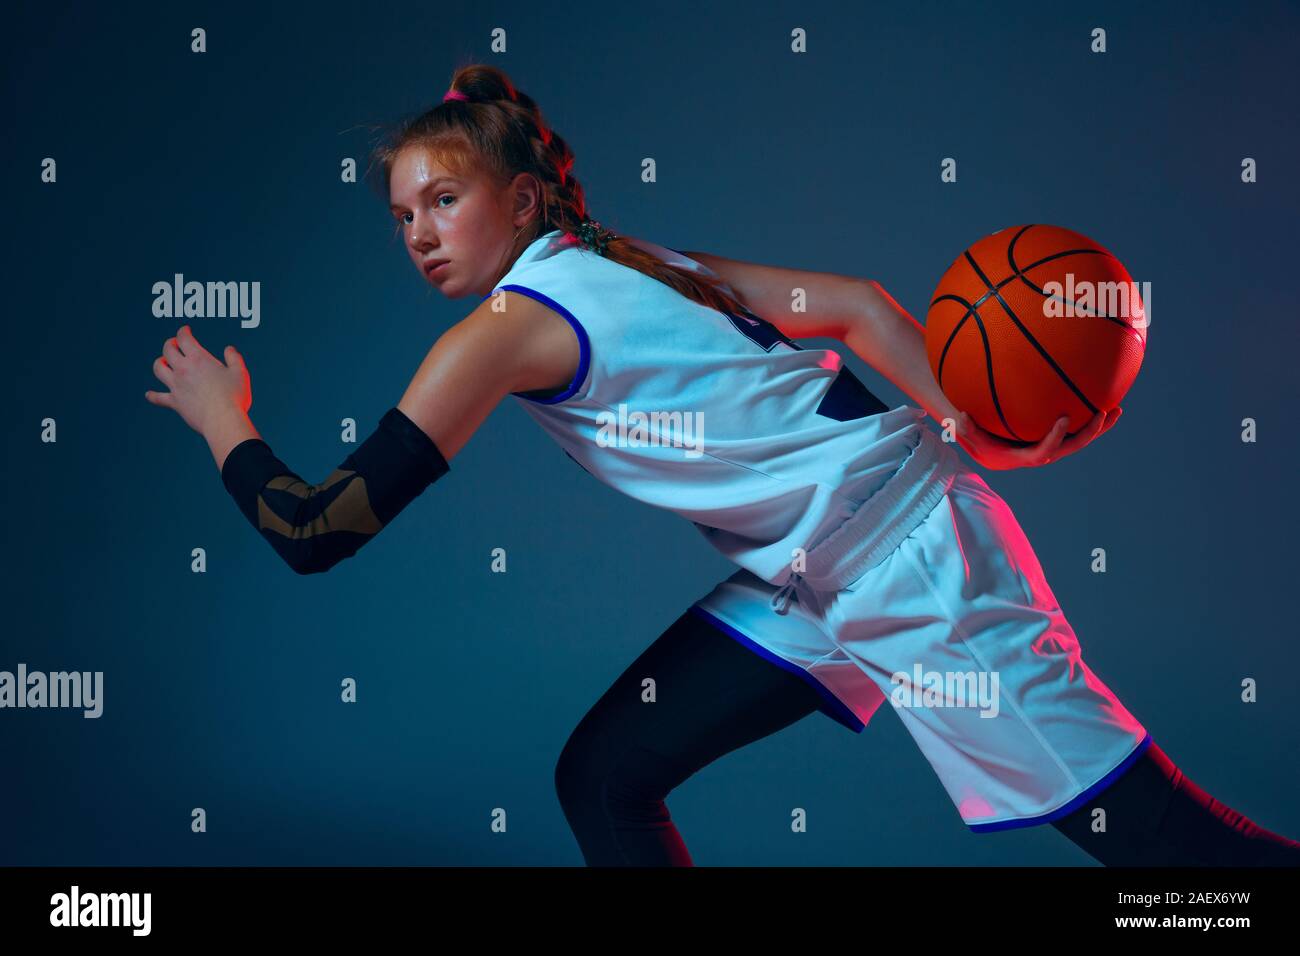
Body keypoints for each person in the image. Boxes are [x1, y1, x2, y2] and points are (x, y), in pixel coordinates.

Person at [145, 63, 1300, 867]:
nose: (421, 234)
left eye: (443, 199)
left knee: (1163, 856)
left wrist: (219, 418)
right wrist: (972, 427)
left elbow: (319, 529)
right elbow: (850, 306)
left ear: (525, 197)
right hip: (820, 571)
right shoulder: (628, 257)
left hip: (912, 566)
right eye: (402, 216)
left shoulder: (498, 330)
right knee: (605, 775)